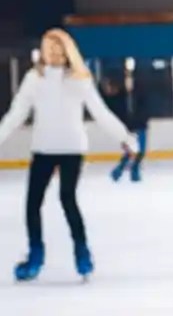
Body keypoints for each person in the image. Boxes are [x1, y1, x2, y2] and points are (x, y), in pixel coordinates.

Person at [0, 28, 136, 281]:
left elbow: (100, 112)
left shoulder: (79, 79)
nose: (53, 53)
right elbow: (16, 114)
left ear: (67, 51)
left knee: (67, 199)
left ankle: (82, 253)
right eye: (48, 48)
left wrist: (125, 137)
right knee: (32, 204)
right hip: (43, 149)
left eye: (58, 48)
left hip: (72, 149)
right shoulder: (34, 79)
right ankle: (36, 255)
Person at [103, 69, 152, 183]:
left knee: (141, 150)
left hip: (140, 124)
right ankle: (121, 170)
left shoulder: (140, 91)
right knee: (132, 149)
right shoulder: (122, 95)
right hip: (128, 126)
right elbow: (118, 109)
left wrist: (143, 118)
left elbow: (146, 106)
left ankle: (129, 169)